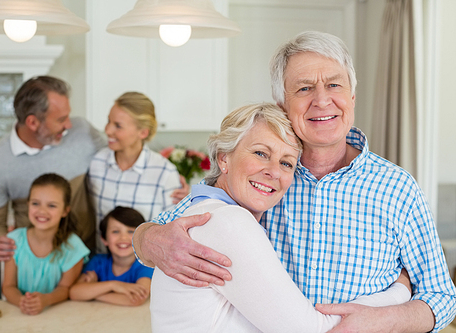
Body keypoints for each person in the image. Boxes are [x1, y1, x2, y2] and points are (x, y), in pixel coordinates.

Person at [133, 31, 456, 332]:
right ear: (282, 105)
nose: (322, 100)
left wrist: (386, 318)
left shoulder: (396, 187)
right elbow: (165, 232)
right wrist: (146, 239)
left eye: (334, 85)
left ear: (352, 97)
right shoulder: (259, 184)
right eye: (304, 88)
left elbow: (442, 296)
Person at [150, 103, 412, 332]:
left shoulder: (206, 213)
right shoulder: (227, 223)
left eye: (286, 163)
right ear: (224, 158)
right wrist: (399, 291)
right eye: (261, 153)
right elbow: (311, 330)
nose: (273, 172)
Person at [0, 76, 106, 261]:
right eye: (61, 119)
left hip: (88, 258)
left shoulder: (83, 131)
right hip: (38, 262)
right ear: (32, 123)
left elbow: (118, 162)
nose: (69, 125)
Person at [88, 92, 183, 253]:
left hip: (146, 270)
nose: (108, 130)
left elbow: (174, 231)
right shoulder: (97, 162)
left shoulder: (164, 173)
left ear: (143, 132)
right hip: (101, 266)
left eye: (118, 125)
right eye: (108, 121)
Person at [2, 173, 89, 315]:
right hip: (21, 314)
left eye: (52, 205)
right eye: (35, 203)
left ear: (65, 211)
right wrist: (23, 302)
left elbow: (65, 288)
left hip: (59, 315)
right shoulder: (14, 240)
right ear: (28, 204)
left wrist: (45, 300)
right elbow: (8, 286)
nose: (42, 211)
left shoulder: (73, 247)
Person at [69, 206, 153, 306]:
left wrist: (93, 292)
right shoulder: (98, 262)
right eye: (115, 231)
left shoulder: (145, 265)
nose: (123, 237)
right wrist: (113, 285)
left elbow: (137, 299)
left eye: (130, 231)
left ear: (140, 237)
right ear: (104, 239)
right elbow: (74, 293)